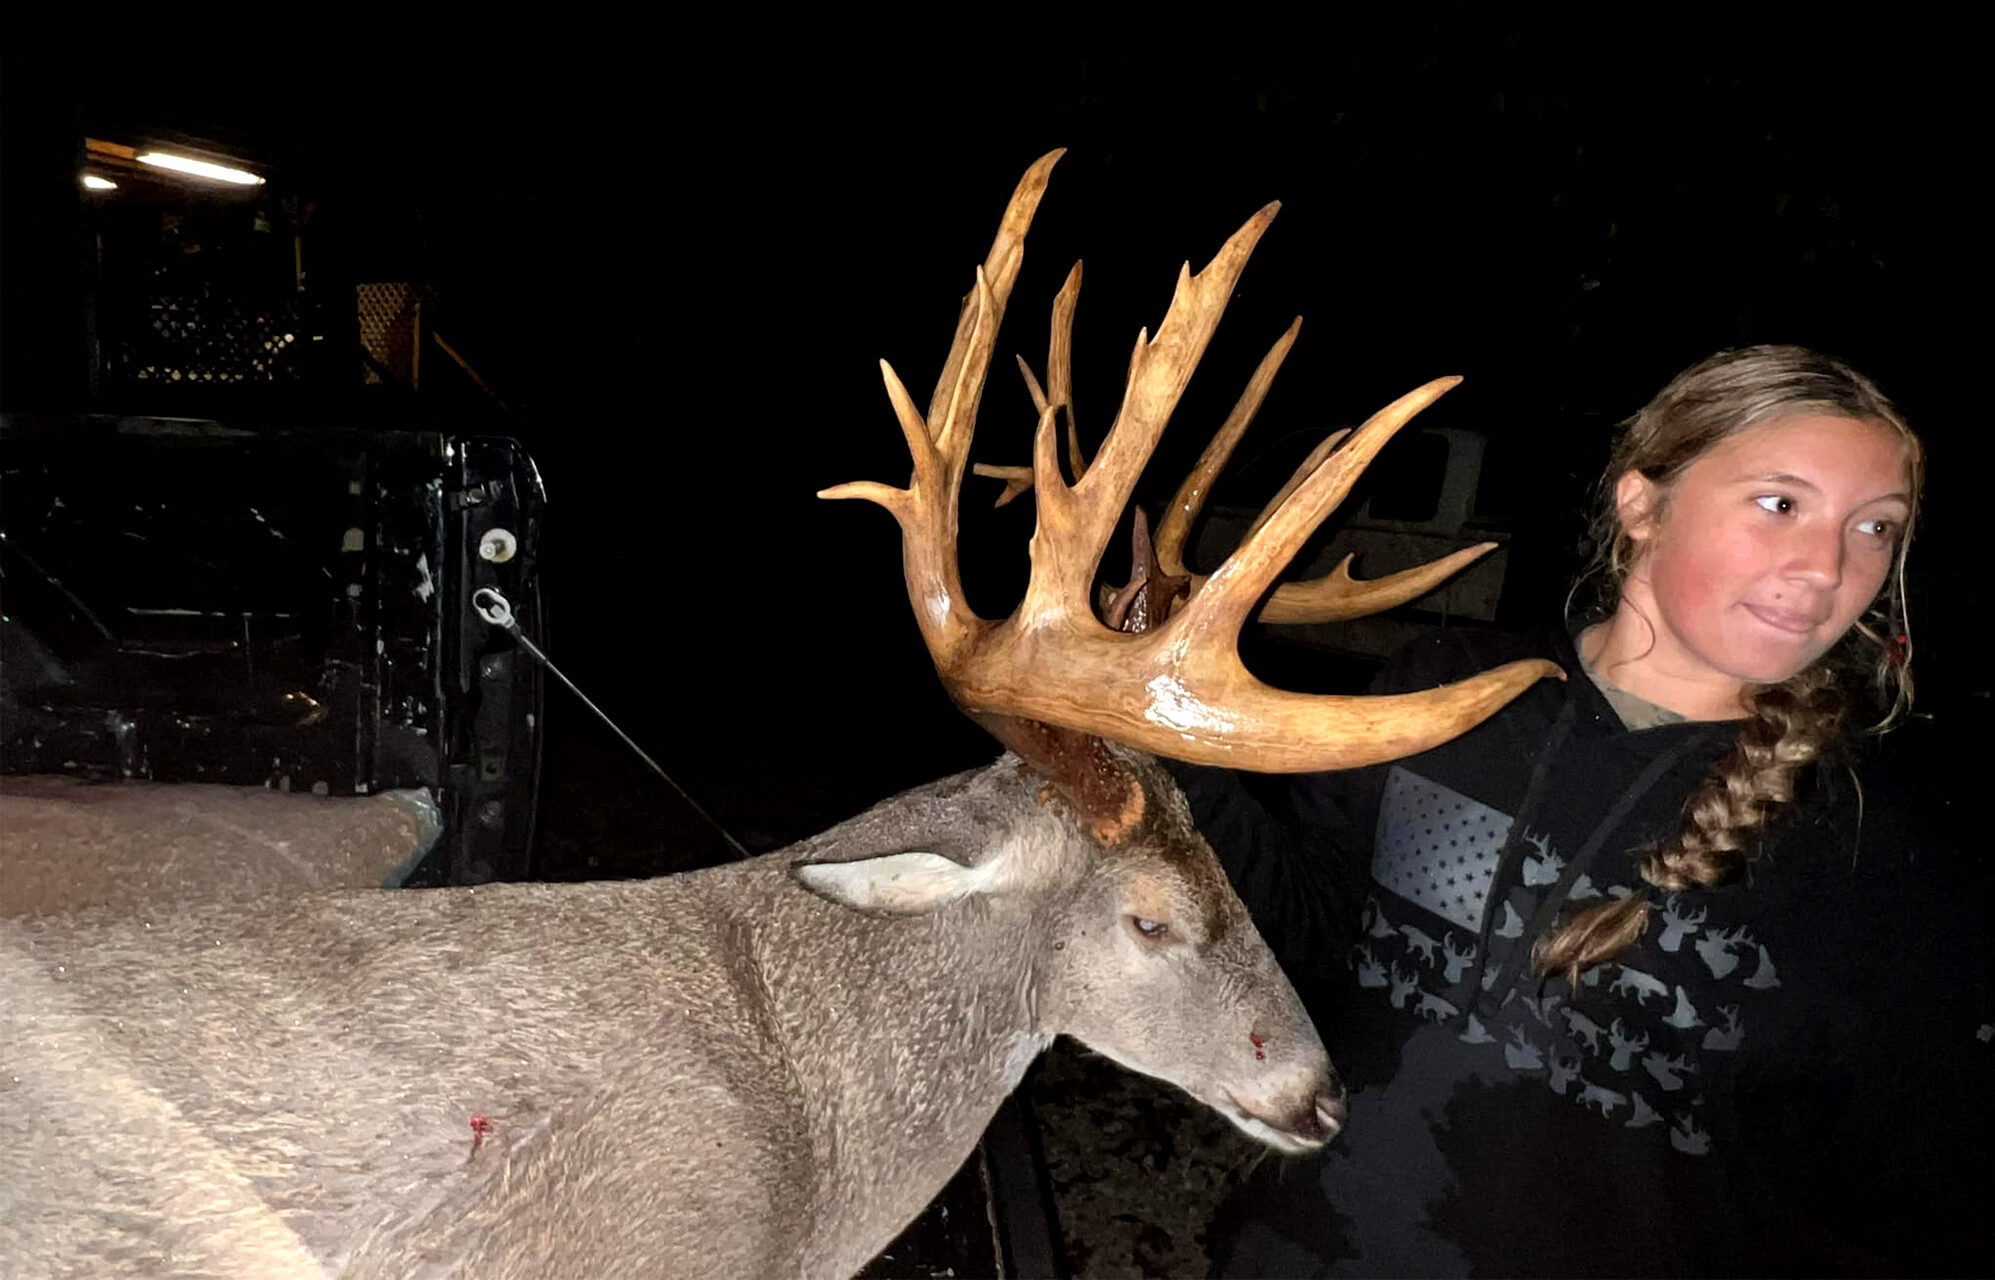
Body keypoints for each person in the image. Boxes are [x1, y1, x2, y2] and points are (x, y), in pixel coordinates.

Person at [1173, 345, 1989, 1277]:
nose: (1825, 567)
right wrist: (1164, 767)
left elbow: (1913, 1196)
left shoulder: (1885, 853)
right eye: (1780, 504)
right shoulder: (1445, 697)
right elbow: (1306, 944)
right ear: (1642, 505)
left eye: (1874, 529)